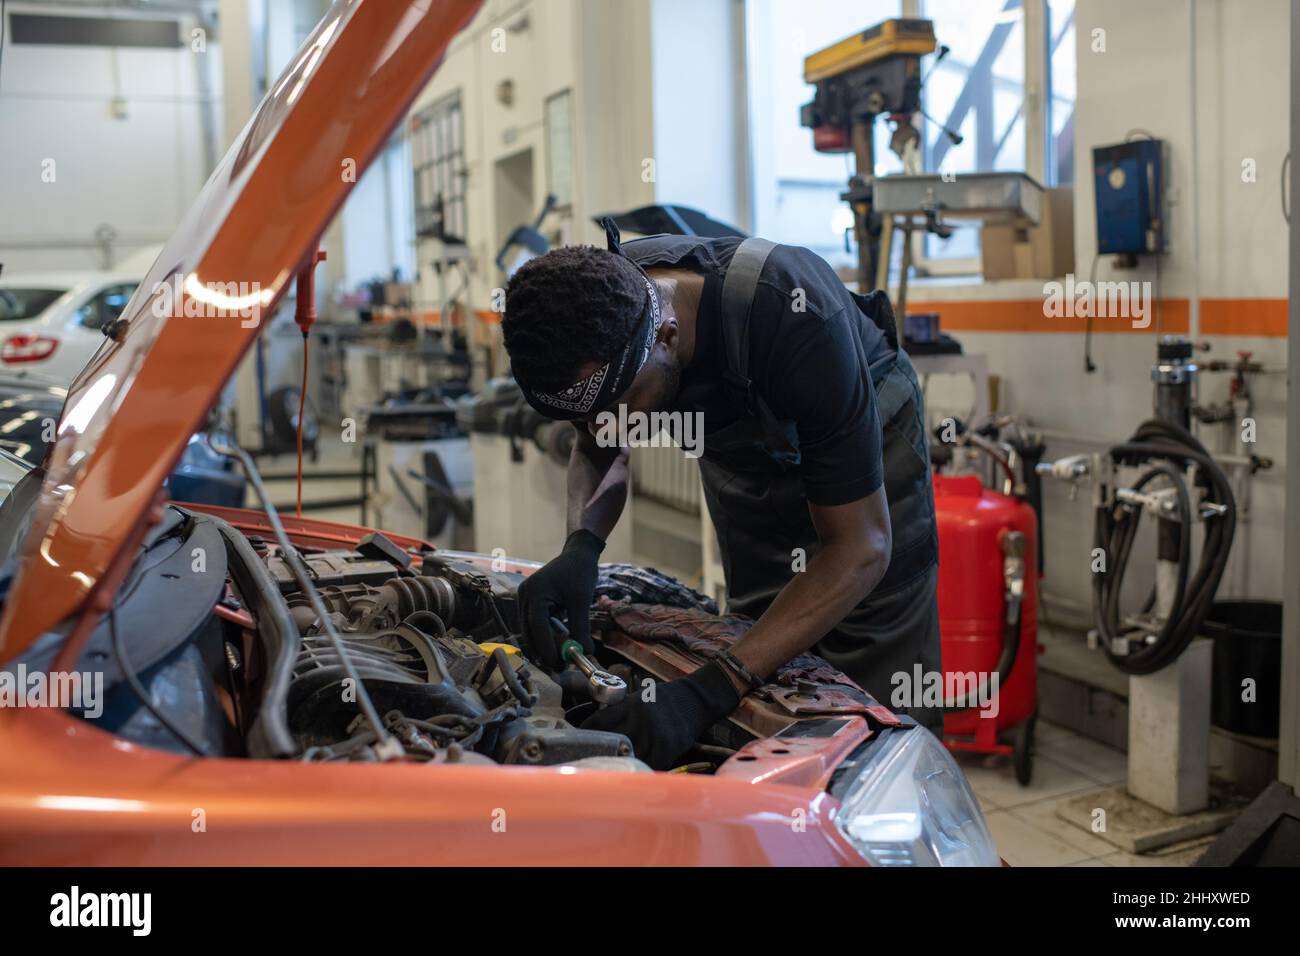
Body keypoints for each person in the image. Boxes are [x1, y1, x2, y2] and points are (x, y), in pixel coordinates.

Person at [500, 220, 940, 769]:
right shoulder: (601, 309)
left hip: (868, 462)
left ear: (668, 334)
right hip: (750, 461)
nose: (604, 429)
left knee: (874, 697)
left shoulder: (795, 310)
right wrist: (580, 547)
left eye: (620, 409)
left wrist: (706, 691)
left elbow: (861, 549)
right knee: (756, 642)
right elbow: (597, 444)